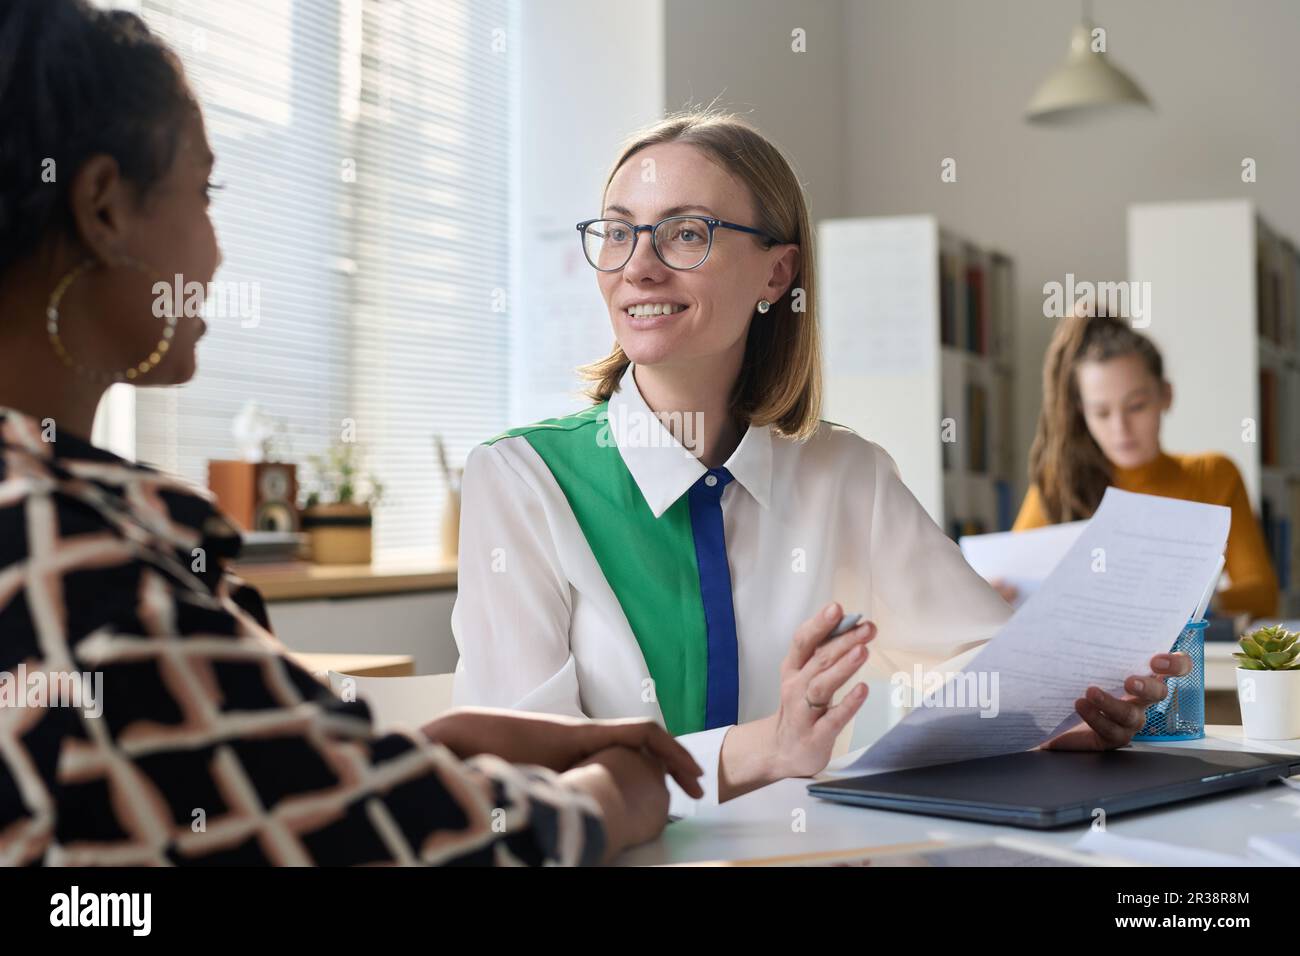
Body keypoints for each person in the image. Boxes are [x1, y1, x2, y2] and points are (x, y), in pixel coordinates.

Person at [0, 0, 701, 867]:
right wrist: (606, 797)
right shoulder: (68, 553)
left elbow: (185, 795)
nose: (217, 252)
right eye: (205, 192)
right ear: (103, 207)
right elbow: (388, 851)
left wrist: (407, 749)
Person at [451, 110, 1191, 812]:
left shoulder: (847, 473)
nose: (638, 268)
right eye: (617, 233)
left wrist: (1065, 716)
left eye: (685, 234)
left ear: (777, 275)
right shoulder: (521, 482)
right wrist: (763, 750)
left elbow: (981, 667)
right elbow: (526, 784)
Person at [1000, 308, 1278, 618]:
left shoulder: (1214, 475)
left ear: (1166, 395)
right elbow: (1011, 583)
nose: (1120, 429)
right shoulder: (1061, 483)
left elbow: (1262, 594)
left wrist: (1182, 604)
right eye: (1101, 413)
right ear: (1082, 412)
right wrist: (995, 593)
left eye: (1136, 406)